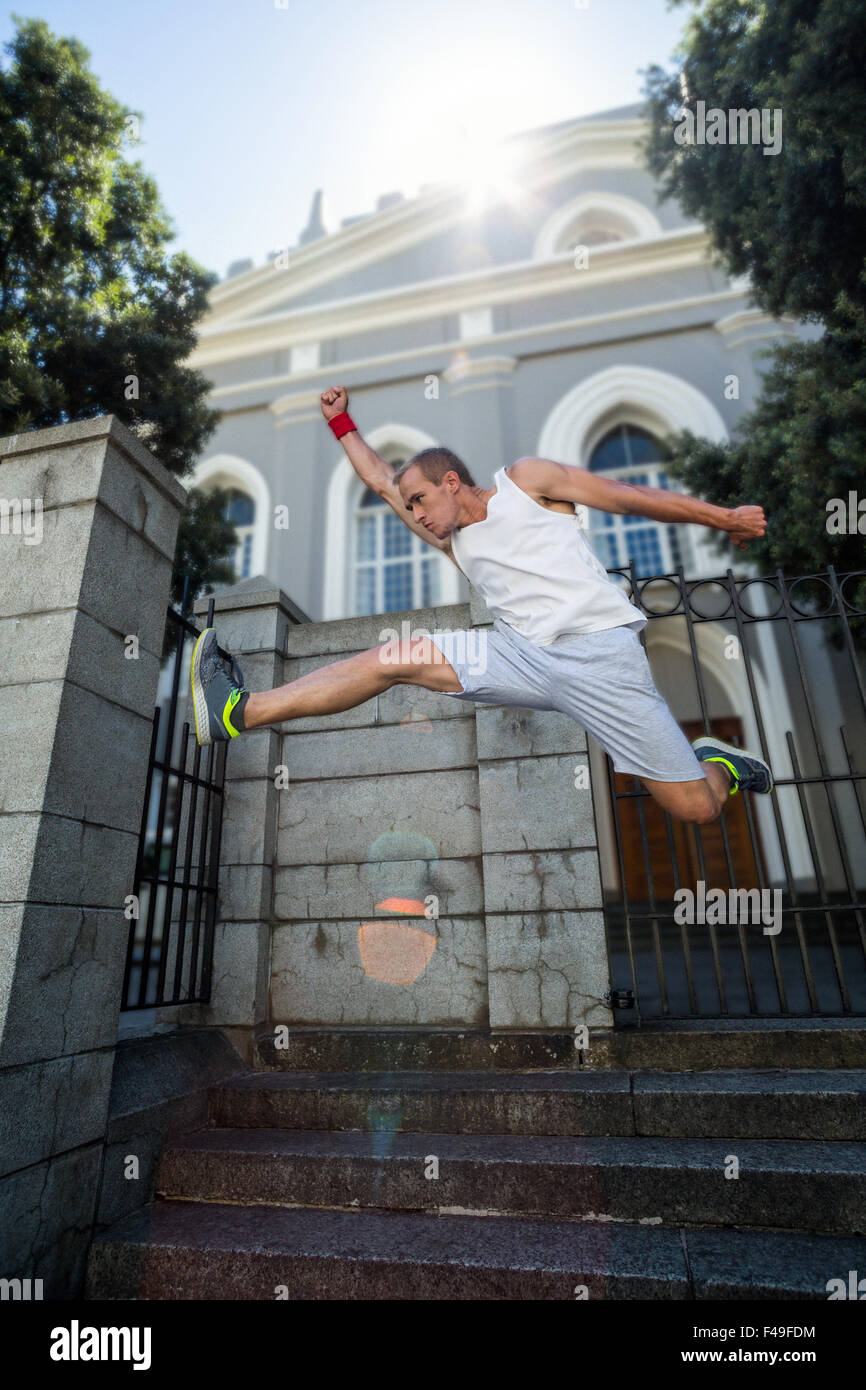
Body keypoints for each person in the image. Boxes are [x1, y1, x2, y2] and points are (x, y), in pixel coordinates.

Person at [189, 385, 774, 824]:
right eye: (410, 506)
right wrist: (340, 421)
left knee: (696, 809)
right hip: (520, 654)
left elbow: (627, 495)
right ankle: (236, 712)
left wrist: (722, 518)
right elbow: (379, 482)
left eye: (420, 499)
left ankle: (719, 764)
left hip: (601, 658)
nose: (414, 514)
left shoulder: (528, 482)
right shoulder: (454, 543)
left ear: (451, 482)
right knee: (396, 658)